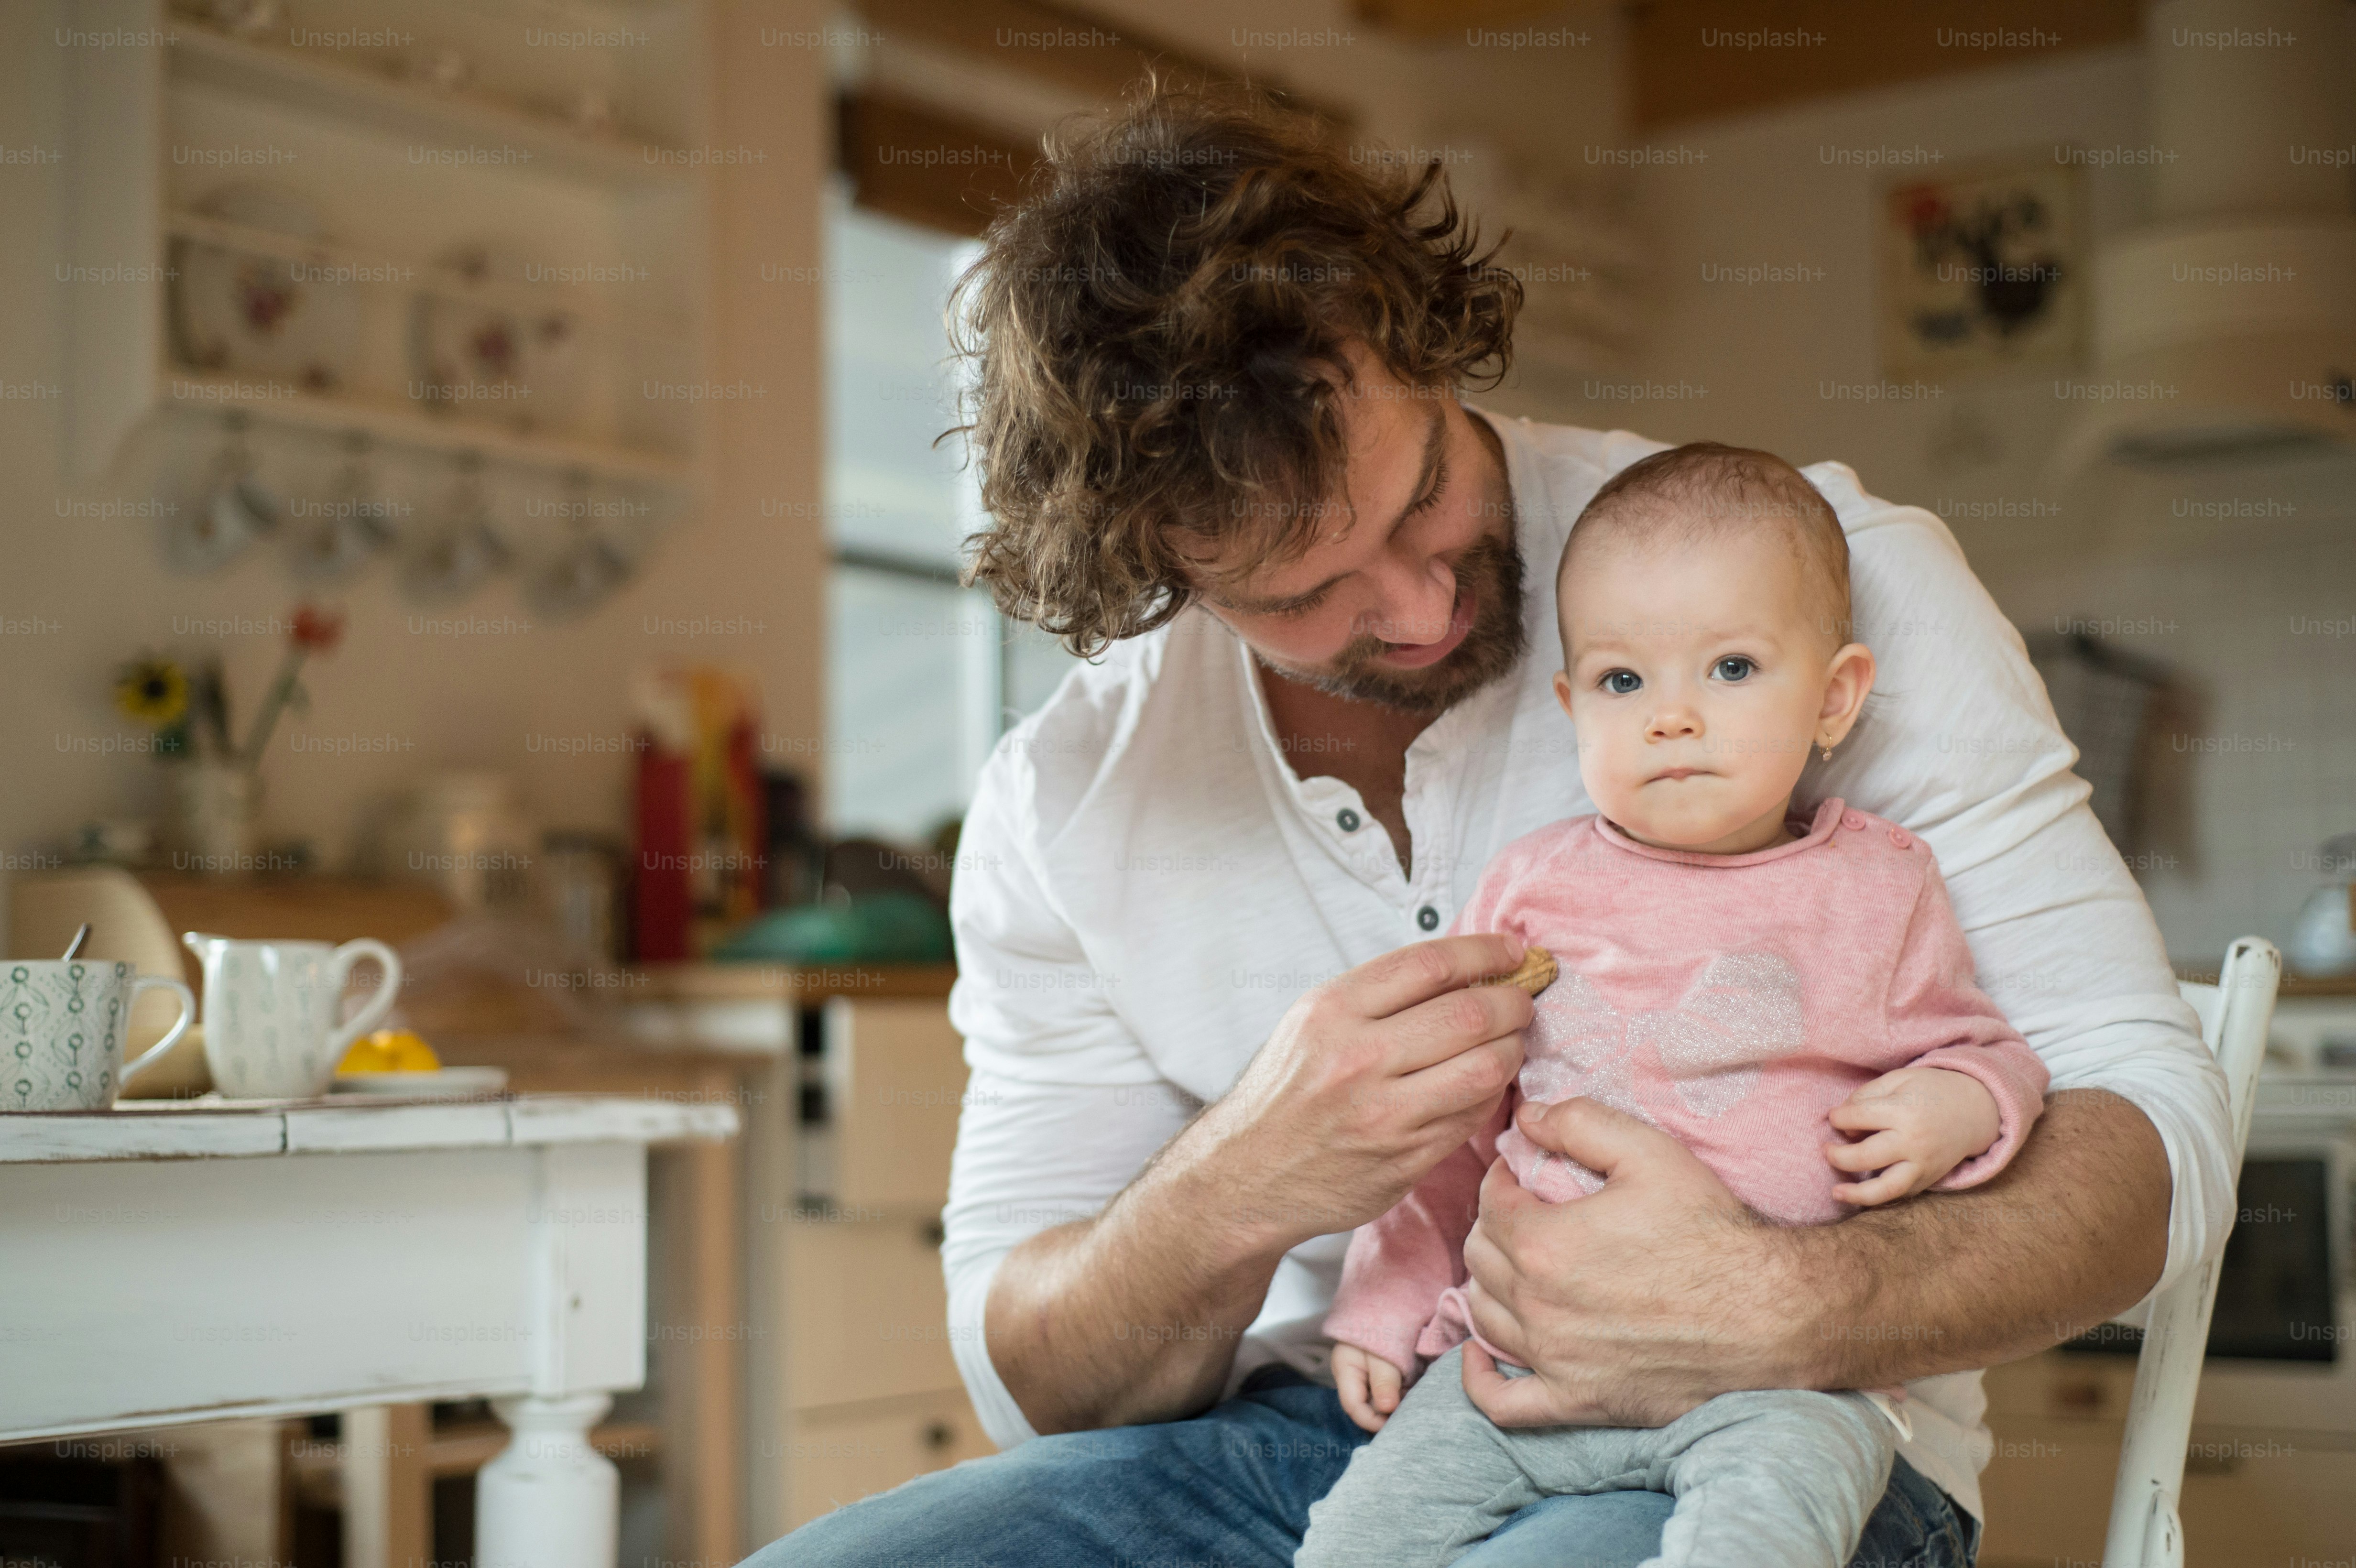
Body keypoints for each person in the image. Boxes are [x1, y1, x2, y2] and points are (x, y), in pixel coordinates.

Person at [746, 83, 2230, 1568]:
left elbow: (2157, 1130)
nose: (1417, 609)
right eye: (1299, 593)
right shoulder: (1066, 793)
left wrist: (1789, 1300)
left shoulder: (1816, 590)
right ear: (1161, 573)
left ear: (1430, 342)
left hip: (1787, 1439)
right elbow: (1035, 1390)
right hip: (1327, 1431)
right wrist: (1238, 1184)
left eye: (1423, 498)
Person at [1300, 441, 2052, 1568]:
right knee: (1349, 1542)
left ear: (1834, 696)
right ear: (1572, 707)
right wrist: (1383, 1300)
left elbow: (1987, 1050)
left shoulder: (1876, 884)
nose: (1671, 717)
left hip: (1775, 1387)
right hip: (1512, 1367)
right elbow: (1452, 1122)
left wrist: (1957, 1103)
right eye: (1623, 681)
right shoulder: (1532, 888)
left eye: (1732, 668)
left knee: (1760, 1538)